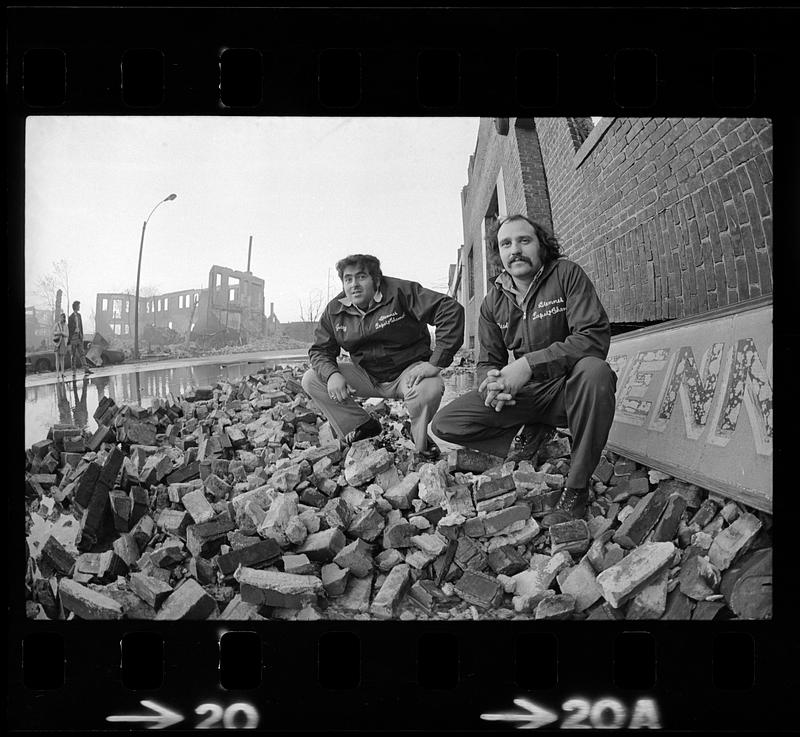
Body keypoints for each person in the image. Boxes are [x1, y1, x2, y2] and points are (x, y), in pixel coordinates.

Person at [431, 214, 617, 524]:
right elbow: (488, 362)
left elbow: (593, 338)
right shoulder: (492, 303)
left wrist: (529, 365)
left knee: (596, 372)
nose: (515, 249)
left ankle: (577, 484)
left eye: (524, 240)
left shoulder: (566, 275)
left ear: (541, 245)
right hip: (525, 398)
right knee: (445, 424)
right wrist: (491, 385)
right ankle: (531, 438)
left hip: (567, 391)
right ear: (499, 254)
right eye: (506, 244)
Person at [302, 253, 464, 458]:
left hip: (408, 374)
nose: (354, 285)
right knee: (312, 379)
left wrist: (436, 362)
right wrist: (332, 374)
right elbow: (320, 350)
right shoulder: (335, 310)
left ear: (376, 279)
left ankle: (418, 440)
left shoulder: (400, 292)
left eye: (361, 277)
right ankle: (364, 426)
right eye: (348, 279)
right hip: (367, 375)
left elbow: (449, 310)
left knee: (430, 387)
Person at [67, 300, 92, 377]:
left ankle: (86, 369)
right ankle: (74, 370)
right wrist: (70, 338)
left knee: (82, 353)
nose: (79, 307)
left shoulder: (79, 315)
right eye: (78, 306)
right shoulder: (70, 317)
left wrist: (82, 335)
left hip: (79, 336)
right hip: (73, 337)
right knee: (74, 354)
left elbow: (81, 326)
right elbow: (69, 328)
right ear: (75, 307)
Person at [52, 312, 68, 378]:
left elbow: (67, 334)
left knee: (62, 359)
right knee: (57, 358)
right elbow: (53, 332)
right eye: (61, 317)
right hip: (57, 343)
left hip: (63, 343)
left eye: (63, 317)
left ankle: (62, 373)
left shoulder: (66, 325)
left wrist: (63, 333)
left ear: (64, 318)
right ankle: (57, 373)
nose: (62, 318)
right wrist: (59, 333)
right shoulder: (56, 324)